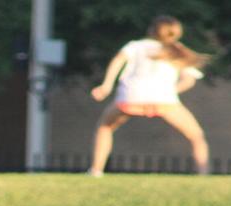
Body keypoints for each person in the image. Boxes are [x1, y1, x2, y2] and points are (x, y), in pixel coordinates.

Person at [88, 16, 211, 176]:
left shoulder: (136, 46)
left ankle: (96, 170)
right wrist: (169, 91)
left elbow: (118, 61)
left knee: (105, 127)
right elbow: (188, 81)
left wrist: (106, 85)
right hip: (165, 101)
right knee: (196, 136)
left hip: (131, 98)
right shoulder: (178, 51)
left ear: (151, 30)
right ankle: (204, 173)